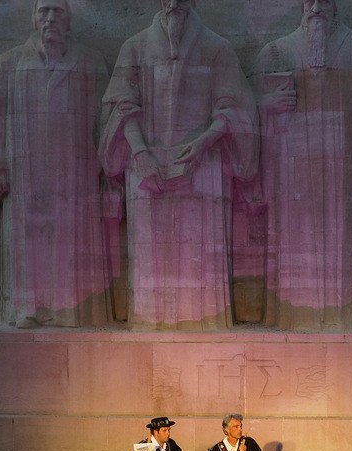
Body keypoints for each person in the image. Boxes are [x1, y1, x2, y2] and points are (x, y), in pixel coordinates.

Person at [98, 0, 259, 330]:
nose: (173, 4)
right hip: (144, 166)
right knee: (150, 264)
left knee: (201, 263)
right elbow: (122, 105)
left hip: (204, 165)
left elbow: (232, 107)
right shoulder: (135, 47)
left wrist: (201, 144)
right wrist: (141, 154)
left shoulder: (217, 48)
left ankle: (205, 328)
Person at [0, 0, 113, 329]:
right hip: (26, 172)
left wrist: (110, 169)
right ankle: (28, 307)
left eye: (58, 11)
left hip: (75, 172)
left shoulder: (91, 63)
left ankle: (70, 308)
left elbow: (108, 119)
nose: (50, 18)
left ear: (69, 20)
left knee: (70, 239)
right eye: (44, 11)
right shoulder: (9, 63)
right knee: (27, 241)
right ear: (34, 19)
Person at [253, 0, 352, 331]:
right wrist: (266, 106)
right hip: (292, 173)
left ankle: (350, 319)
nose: (316, 7)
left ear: (335, 6)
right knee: (293, 238)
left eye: (323, 1)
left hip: (347, 171)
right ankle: (294, 318)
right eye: (309, 1)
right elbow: (246, 112)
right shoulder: (276, 52)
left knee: (350, 240)